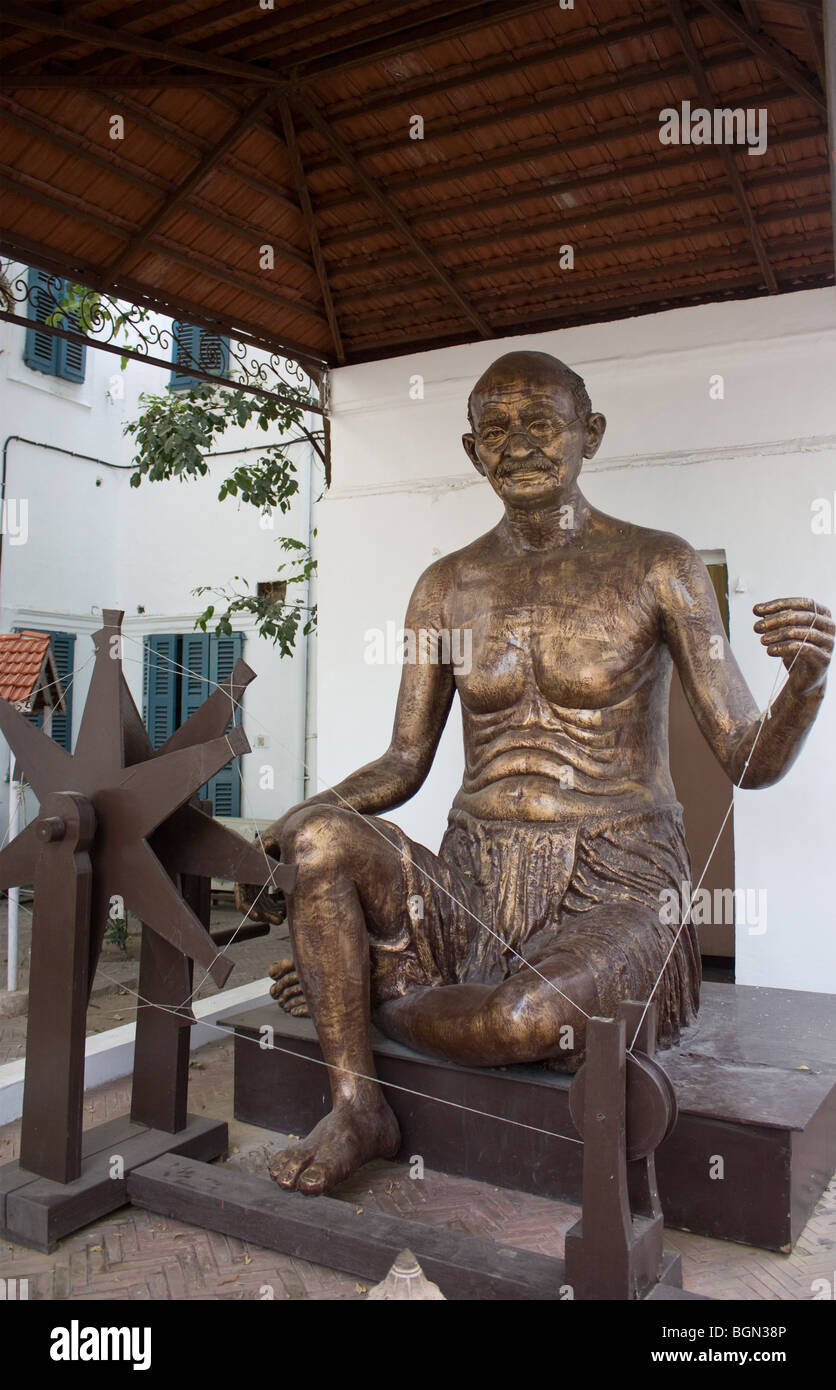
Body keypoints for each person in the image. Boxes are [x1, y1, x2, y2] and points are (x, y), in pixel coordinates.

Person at [239, 350, 832, 1195]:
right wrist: (306, 819)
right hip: (472, 875)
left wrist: (805, 685)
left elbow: (748, 758)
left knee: (525, 1020)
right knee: (324, 843)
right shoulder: (444, 586)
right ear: (473, 451)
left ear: (589, 435)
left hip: (615, 878)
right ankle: (356, 1103)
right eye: (496, 429)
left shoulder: (658, 565)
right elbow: (406, 761)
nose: (518, 444)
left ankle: (371, 990)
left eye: (541, 424)